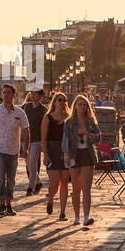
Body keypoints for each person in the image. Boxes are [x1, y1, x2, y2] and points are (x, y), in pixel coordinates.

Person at [0, 83, 29, 216]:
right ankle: (1, 204)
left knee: (11, 178)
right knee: (0, 177)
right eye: (4, 92)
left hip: (13, 150)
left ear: (13, 95)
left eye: (8, 93)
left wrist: (25, 148)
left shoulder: (20, 113)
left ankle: (9, 203)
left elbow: (26, 130)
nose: (6, 95)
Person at [63, 93, 102, 226]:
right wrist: (66, 154)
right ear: (75, 106)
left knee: (86, 188)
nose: (82, 107)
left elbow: (98, 137)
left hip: (87, 153)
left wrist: (87, 133)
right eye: (80, 104)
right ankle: (76, 216)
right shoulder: (69, 122)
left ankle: (86, 216)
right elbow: (65, 140)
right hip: (74, 154)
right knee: (76, 188)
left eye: (85, 105)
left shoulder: (91, 121)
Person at [42, 91, 72, 221]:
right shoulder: (48, 118)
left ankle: (62, 212)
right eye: (60, 100)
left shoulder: (69, 118)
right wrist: (45, 155)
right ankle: (51, 198)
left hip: (65, 150)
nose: (62, 102)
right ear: (54, 102)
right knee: (54, 182)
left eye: (64, 100)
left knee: (64, 181)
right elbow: (43, 138)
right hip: (52, 150)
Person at [22, 88, 47, 196]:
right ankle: (38, 182)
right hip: (25, 139)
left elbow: (45, 126)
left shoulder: (43, 110)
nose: (33, 95)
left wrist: (43, 141)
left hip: (37, 140)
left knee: (32, 162)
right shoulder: (26, 107)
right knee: (28, 164)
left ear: (40, 95)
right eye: (32, 93)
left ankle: (30, 187)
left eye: (35, 93)